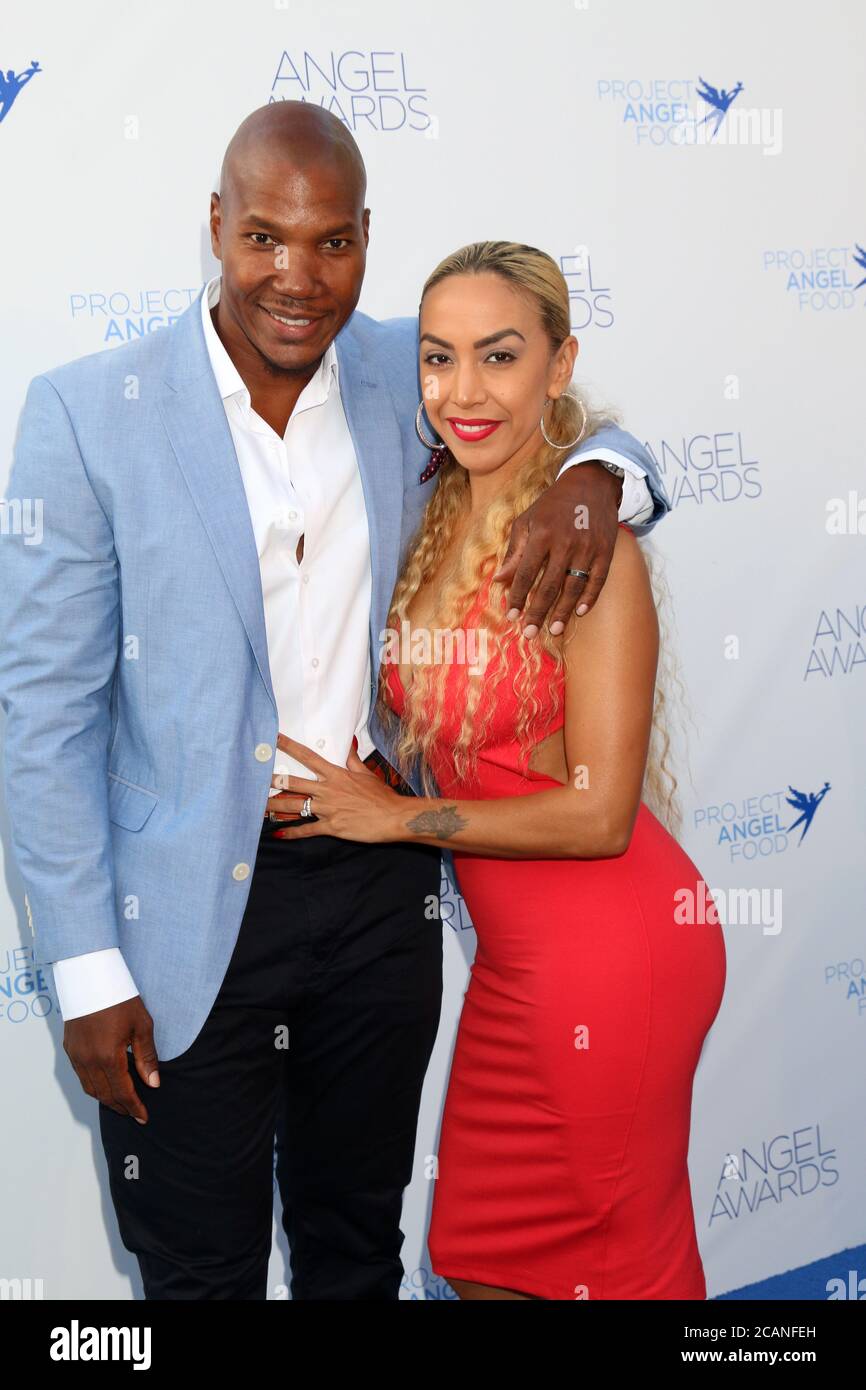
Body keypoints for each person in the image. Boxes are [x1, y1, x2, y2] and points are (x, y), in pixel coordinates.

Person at [0, 104, 669, 1300]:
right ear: (215, 227)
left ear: (364, 239)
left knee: (355, 1242)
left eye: (330, 244)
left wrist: (600, 476)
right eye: (263, 237)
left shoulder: (398, 366)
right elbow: (41, 712)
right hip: (185, 907)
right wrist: (87, 969)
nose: (295, 279)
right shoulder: (89, 410)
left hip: (375, 895)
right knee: (196, 1267)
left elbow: (540, 389)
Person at [268, 240, 727, 1301]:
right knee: (480, 1255)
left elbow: (597, 815)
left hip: (614, 954)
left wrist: (396, 822)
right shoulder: (439, 507)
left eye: (499, 357)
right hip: (518, 969)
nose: (462, 392)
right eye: (438, 359)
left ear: (558, 367)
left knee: (609, 1268)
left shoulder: (583, 543)